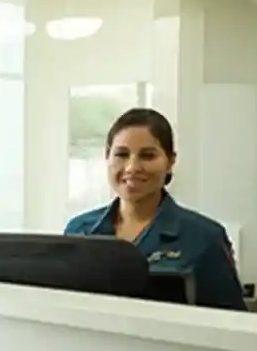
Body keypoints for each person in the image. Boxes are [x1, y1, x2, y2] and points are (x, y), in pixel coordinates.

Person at [64, 108, 247, 311]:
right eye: (122, 154)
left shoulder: (204, 237)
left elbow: (233, 322)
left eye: (147, 156)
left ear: (170, 162)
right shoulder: (79, 230)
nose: (132, 167)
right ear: (107, 158)